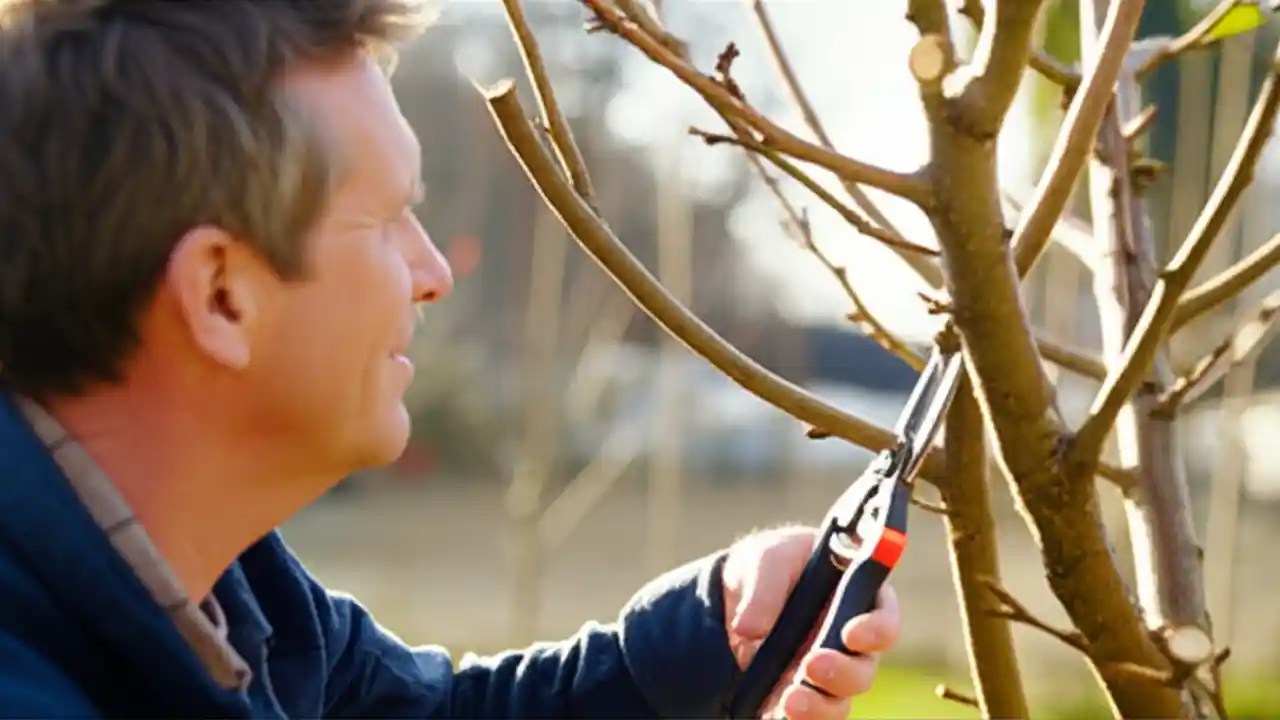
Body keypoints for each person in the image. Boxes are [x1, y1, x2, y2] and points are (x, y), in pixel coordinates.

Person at [0, 1, 901, 717]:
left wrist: (706, 636)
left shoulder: (249, 604)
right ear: (222, 294)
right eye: (387, 218)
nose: (432, 274)